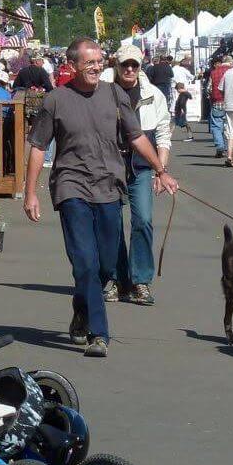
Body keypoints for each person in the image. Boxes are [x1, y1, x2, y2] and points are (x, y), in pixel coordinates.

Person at [25, 38, 179, 358]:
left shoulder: (114, 94)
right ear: (72, 66)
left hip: (109, 186)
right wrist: (30, 193)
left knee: (107, 264)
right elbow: (39, 147)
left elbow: (136, 137)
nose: (96, 67)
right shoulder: (56, 100)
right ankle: (99, 332)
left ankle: (81, 311)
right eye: (89, 62)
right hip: (71, 187)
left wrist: (160, 170)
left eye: (99, 61)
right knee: (84, 260)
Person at [103, 44, 171, 307]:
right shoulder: (103, 92)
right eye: (125, 65)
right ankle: (117, 279)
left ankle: (140, 280)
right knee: (112, 224)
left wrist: (160, 170)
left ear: (141, 66)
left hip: (142, 166)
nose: (130, 69)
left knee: (142, 220)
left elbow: (163, 134)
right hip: (110, 165)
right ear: (116, 66)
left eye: (135, 65)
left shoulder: (153, 94)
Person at [208, 54, 233, 158]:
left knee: (217, 126)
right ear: (231, 63)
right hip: (231, 103)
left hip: (217, 102)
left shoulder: (213, 72)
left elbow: (209, 88)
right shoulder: (232, 72)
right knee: (230, 127)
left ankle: (220, 147)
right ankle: (229, 148)